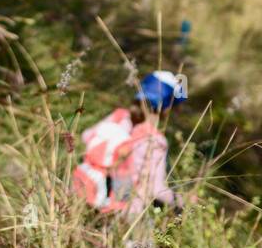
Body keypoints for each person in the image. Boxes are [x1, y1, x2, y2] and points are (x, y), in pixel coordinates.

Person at [73, 71, 185, 219]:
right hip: (127, 214)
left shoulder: (119, 116)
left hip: (88, 198)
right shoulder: (155, 140)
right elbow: (155, 190)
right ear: (166, 109)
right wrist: (180, 200)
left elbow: (86, 136)